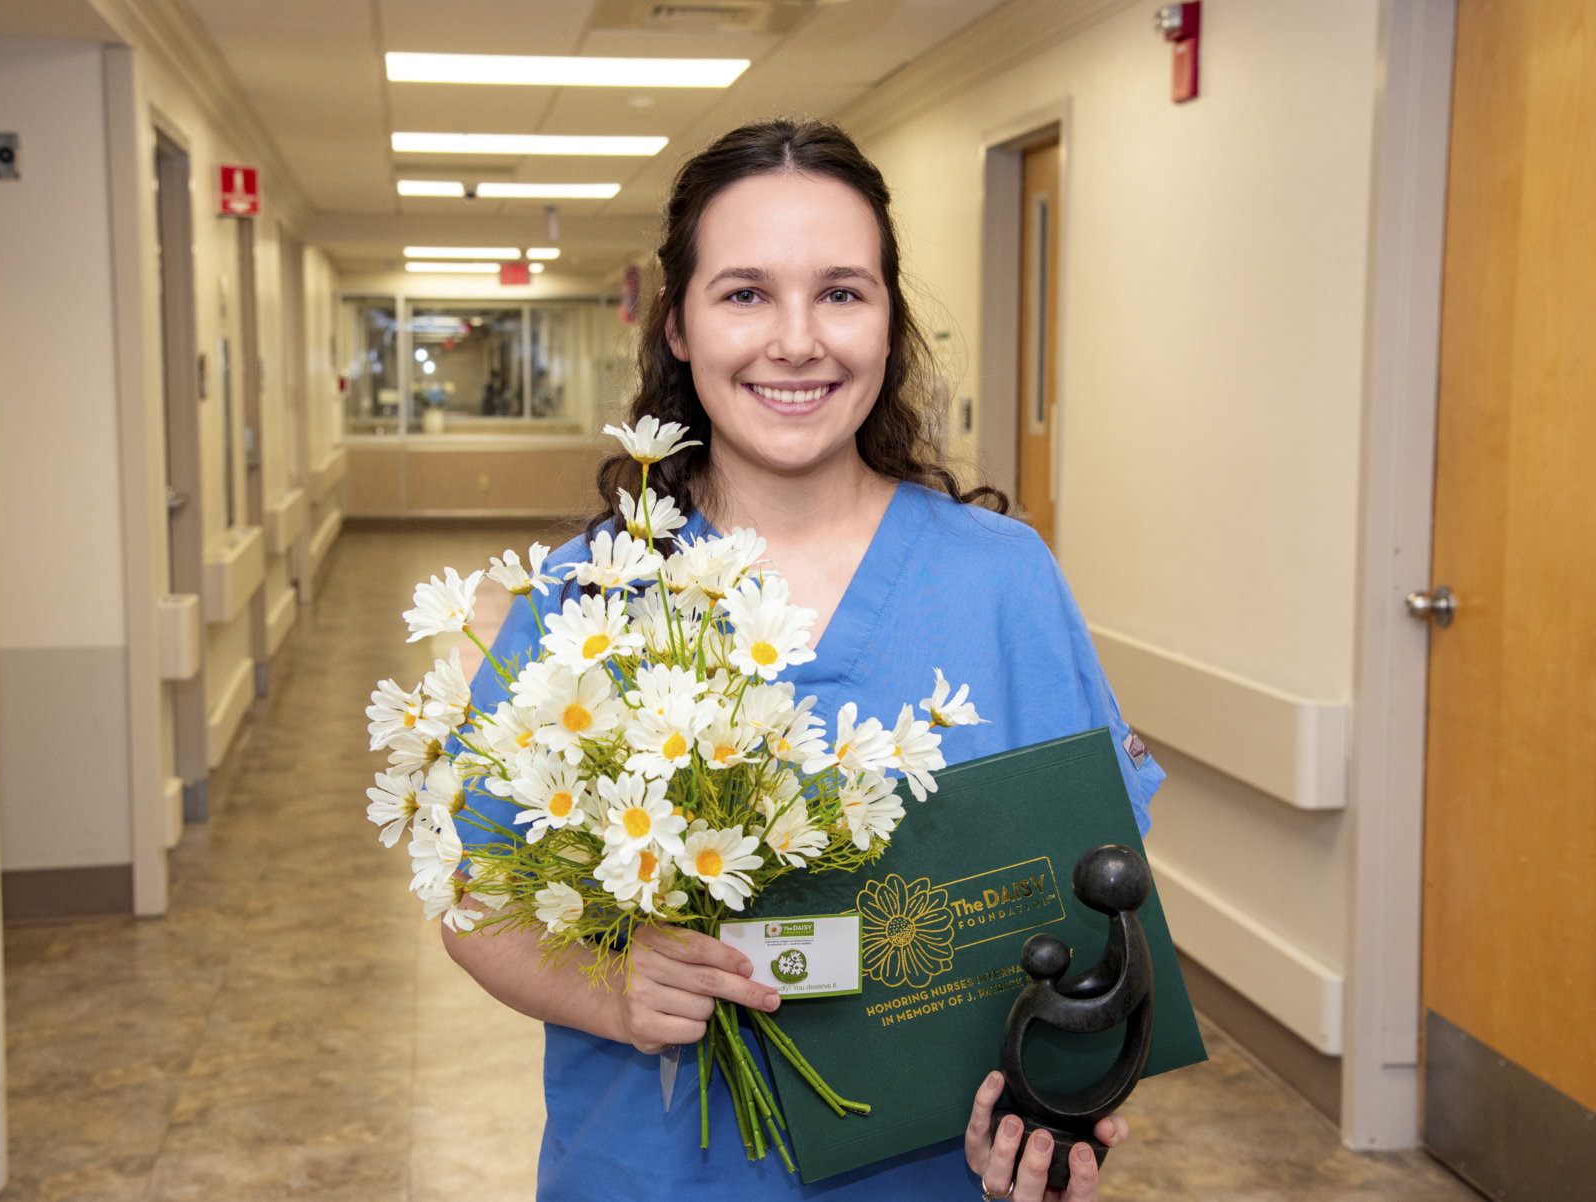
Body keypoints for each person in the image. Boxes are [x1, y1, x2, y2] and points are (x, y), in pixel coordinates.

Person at [443, 118, 1161, 1201]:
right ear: (678, 325)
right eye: (744, 293)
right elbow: (473, 902)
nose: (796, 340)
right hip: (650, 1170)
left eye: (840, 291)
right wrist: (610, 985)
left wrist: (1060, 1105)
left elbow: (1102, 905)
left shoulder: (1004, 581)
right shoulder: (590, 596)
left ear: (888, 320)